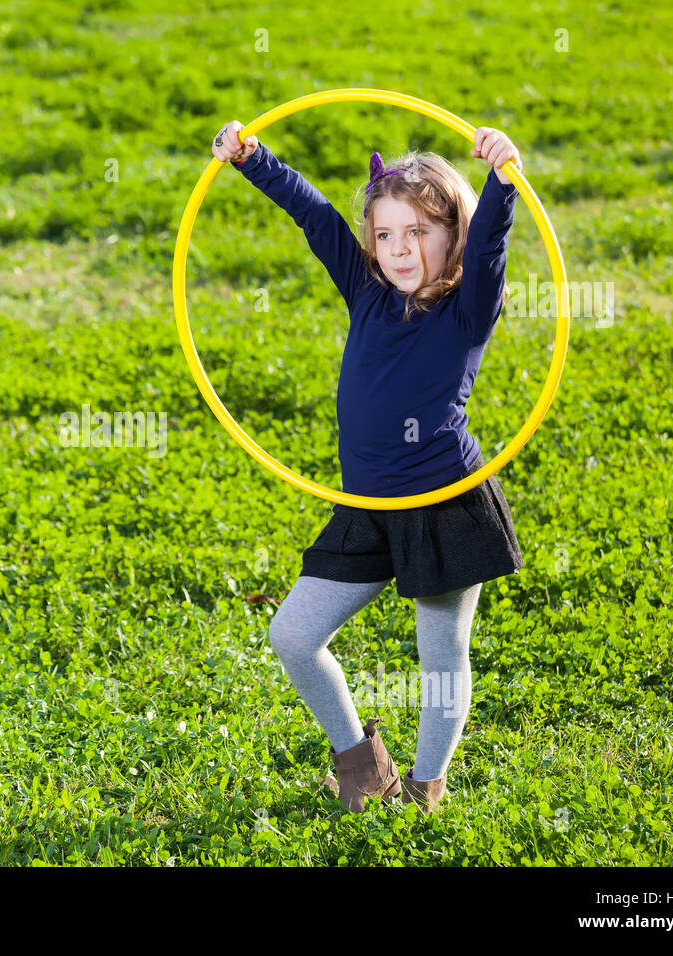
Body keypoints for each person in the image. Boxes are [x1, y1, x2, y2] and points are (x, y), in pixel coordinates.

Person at [212, 120, 527, 814]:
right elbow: (314, 215)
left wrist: (501, 182)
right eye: (385, 235)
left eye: (418, 232)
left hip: (445, 503)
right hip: (366, 507)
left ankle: (423, 788)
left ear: (452, 235)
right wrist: (252, 157)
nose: (399, 250)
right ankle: (363, 768)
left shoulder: (467, 310)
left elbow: (491, 250)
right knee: (292, 633)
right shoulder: (366, 290)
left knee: (440, 657)